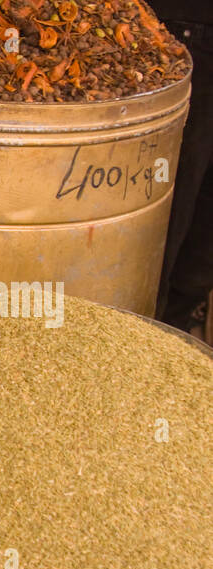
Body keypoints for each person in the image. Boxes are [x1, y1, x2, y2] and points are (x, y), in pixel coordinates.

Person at [151, 0, 213, 343]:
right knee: (169, 204)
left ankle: (176, 340)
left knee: (200, 230)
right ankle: (153, 335)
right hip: (187, 29)